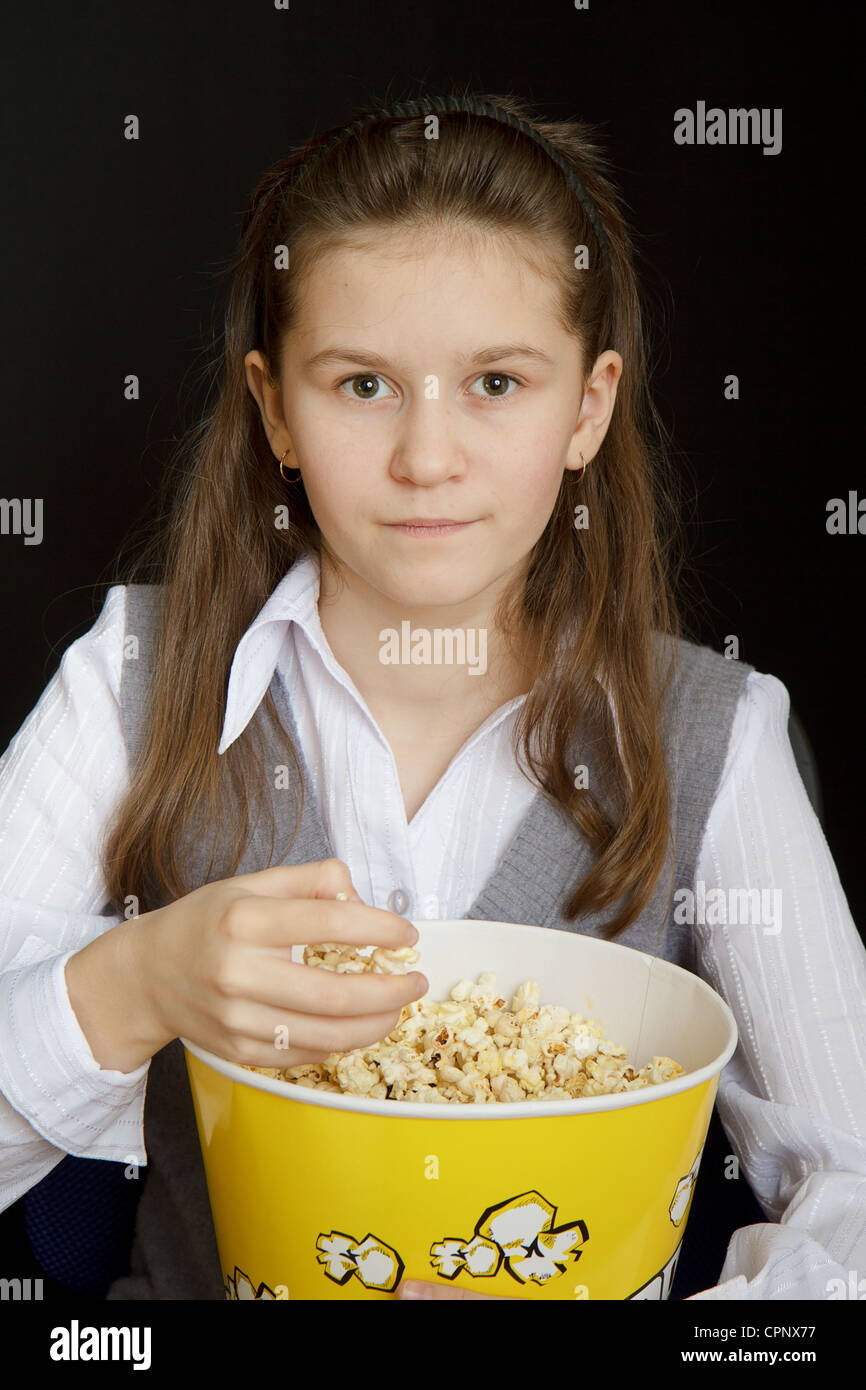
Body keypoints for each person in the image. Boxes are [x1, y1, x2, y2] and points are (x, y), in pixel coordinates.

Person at [0, 87, 863, 1303]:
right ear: (273, 411)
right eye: (360, 385)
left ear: (588, 407)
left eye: (496, 384)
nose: (425, 456)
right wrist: (134, 982)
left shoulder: (717, 733)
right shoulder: (130, 679)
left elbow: (854, 1190)